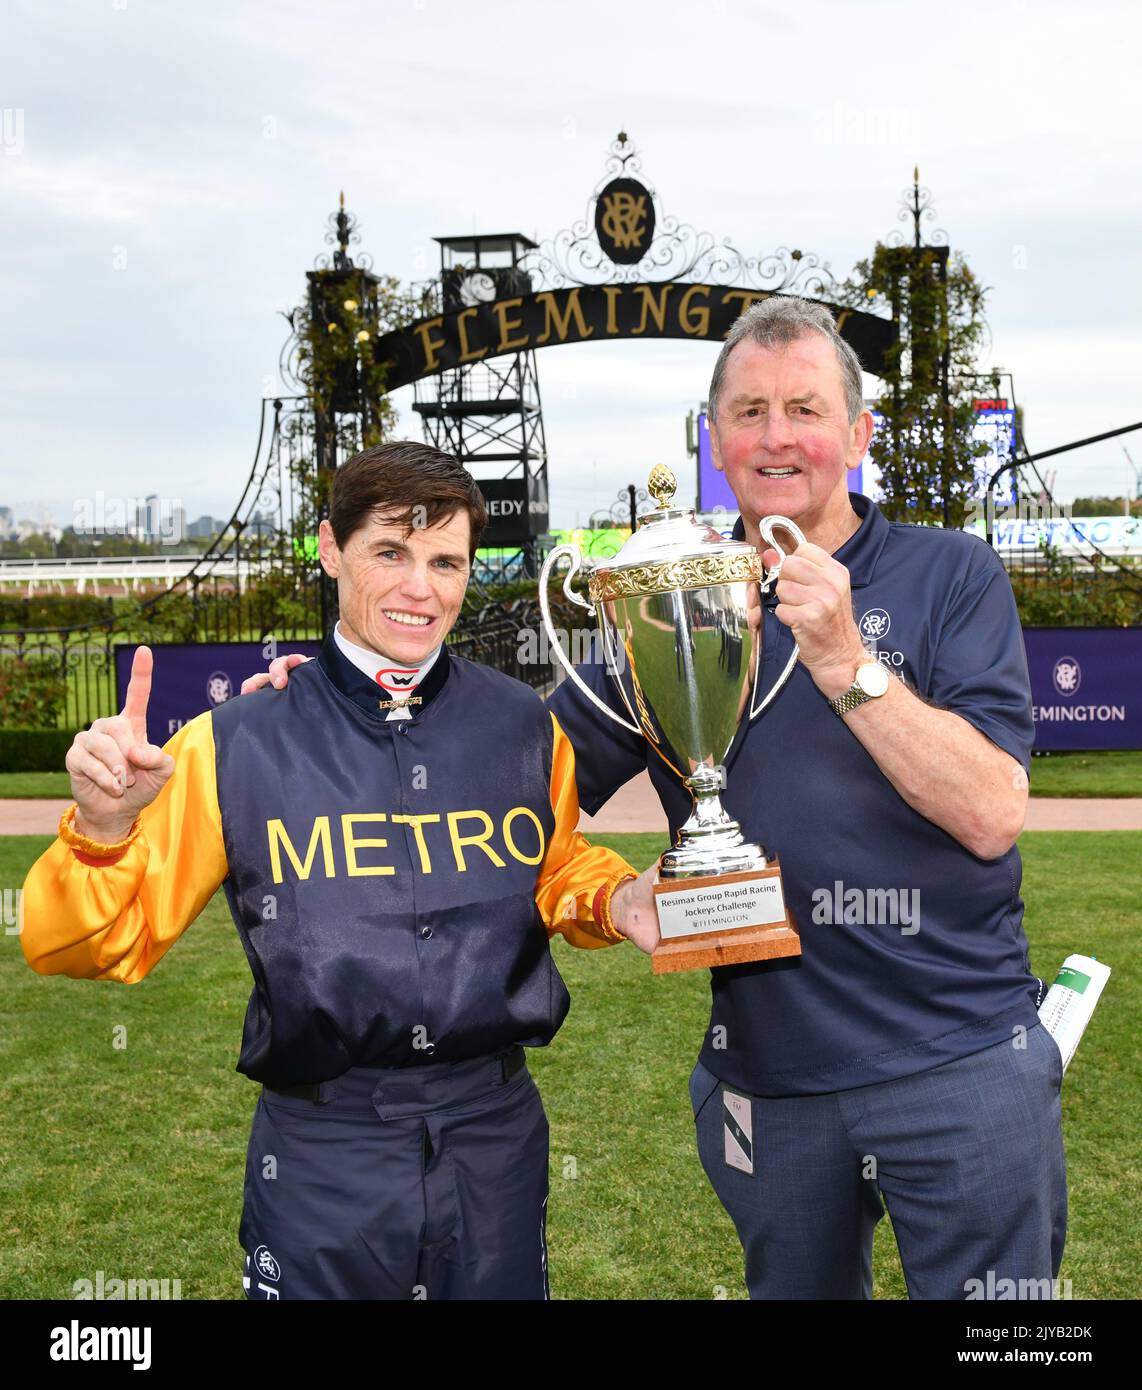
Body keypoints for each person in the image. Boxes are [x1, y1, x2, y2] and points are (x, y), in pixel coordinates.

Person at [249, 299, 1067, 1302]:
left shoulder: (950, 575)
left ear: (856, 434)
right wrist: (334, 701)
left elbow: (989, 810)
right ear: (714, 436)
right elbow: (500, 776)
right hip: (769, 1083)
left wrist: (847, 662)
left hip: (961, 1062)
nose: (775, 436)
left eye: (804, 408)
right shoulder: (673, 592)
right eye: (749, 410)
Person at [20, 441, 660, 1302]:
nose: (419, 589)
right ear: (331, 548)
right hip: (326, 1147)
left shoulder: (520, 722)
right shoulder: (235, 742)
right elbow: (78, 944)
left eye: (445, 562)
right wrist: (102, 828)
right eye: (390, 552)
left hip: (495, 1132)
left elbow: (548, 863)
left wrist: (617, 898)